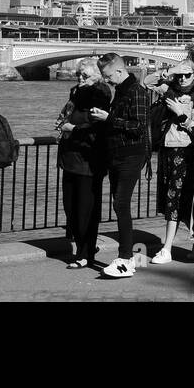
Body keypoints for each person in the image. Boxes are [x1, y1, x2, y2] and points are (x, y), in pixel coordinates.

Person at [89, 53, 152, 278]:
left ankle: (126, 259)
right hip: (118, 155)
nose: (106, 80)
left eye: (107, 76)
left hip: (131, 155)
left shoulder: (137, 92)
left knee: (121, 205)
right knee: (120, 204)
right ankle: (127, 259)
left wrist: (109, 119)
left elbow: (138, 126)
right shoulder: (122, 91)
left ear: (118, 70)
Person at [55, 57, 111, 269]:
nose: (80, 78)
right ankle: (84, 247)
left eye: (85, 76)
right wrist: (62, 123)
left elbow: (98, 127)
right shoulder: (75, 93)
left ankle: (85, 253)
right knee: (70, 206)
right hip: (70, 157)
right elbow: (69, 115)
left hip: (89, 160)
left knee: (85, 209)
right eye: (79, 74)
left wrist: (74, 129)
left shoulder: (100, 93)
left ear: (96, 77)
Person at [149, 59, 194, 264]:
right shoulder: (171, 89)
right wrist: (171, 70)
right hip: (167, 148)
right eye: (179, 75)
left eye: (187, 75)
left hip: (185, 151)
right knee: (173, 198)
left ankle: (167, 249)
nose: (183, 79)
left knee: (174, 198)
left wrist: (180, 113)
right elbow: (148, 81)